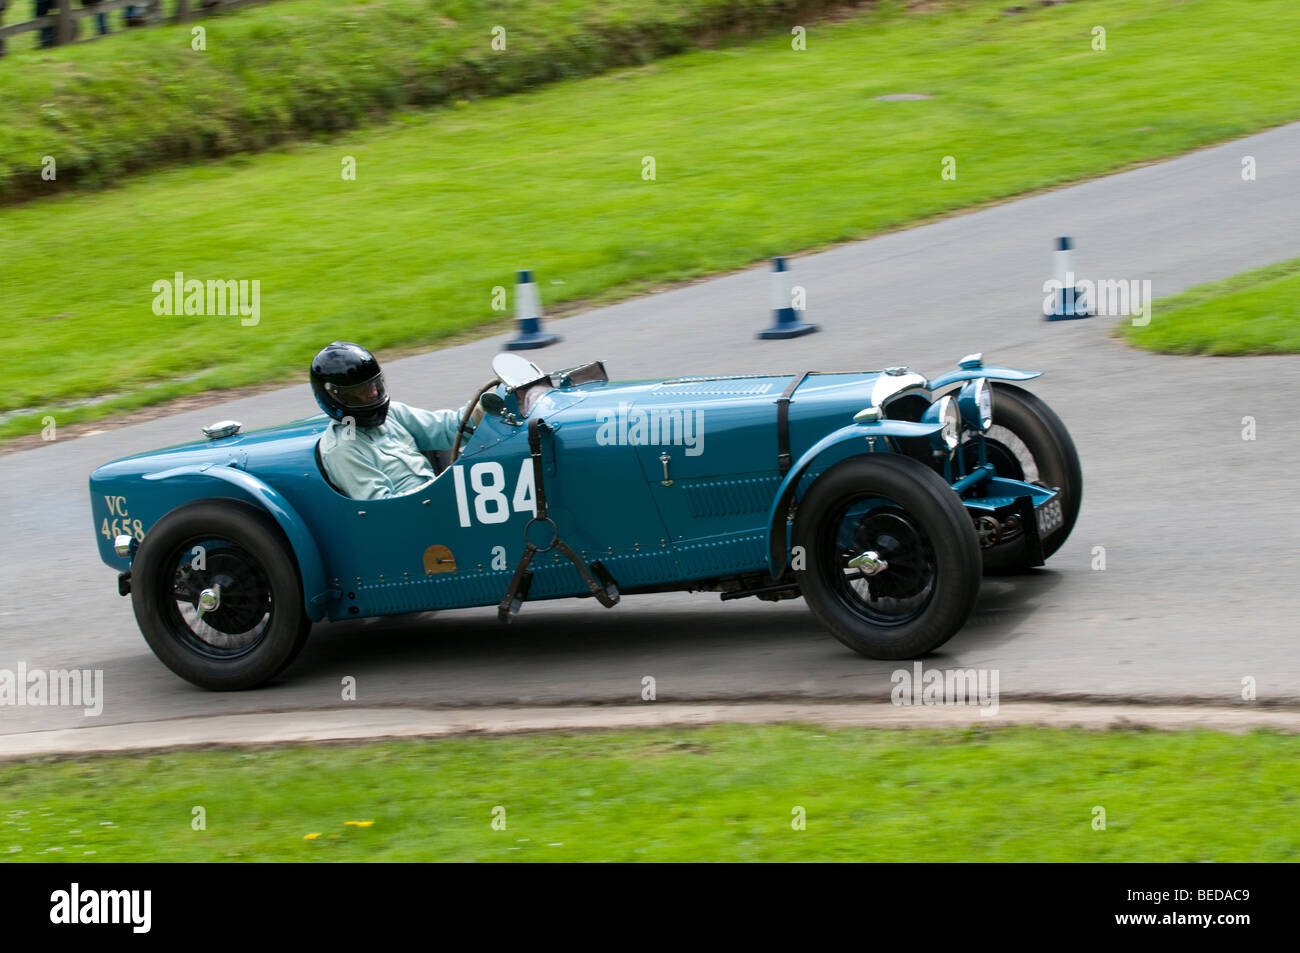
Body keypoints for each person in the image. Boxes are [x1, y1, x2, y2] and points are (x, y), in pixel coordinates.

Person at [311, 341, 483, 500]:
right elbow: (382, 506)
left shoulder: (392, 413)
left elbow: (448, 428)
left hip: (440, 498)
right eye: (360, 390)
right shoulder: (344, 449)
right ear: (337, 397)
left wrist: (483, 409)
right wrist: (439, 488)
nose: (373, 393)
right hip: (418, 513)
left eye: (374, 384)